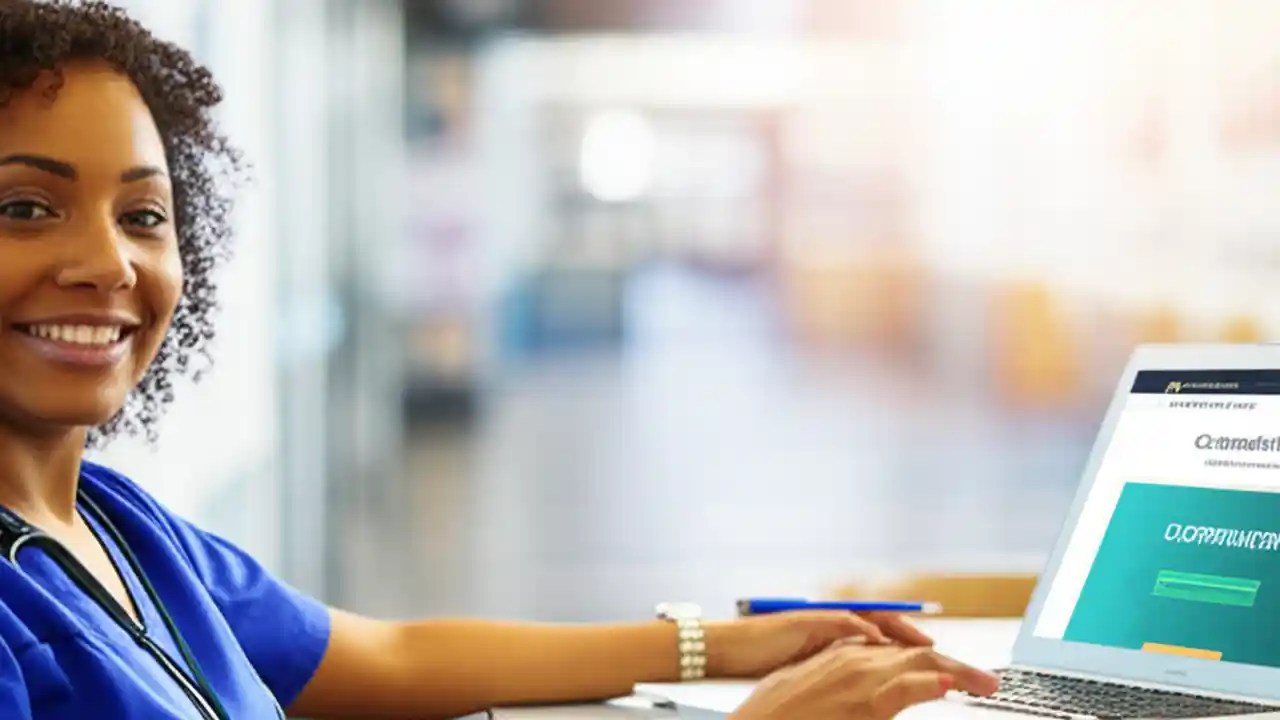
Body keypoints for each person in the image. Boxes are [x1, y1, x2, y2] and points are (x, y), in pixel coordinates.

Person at [0, 2, 999, 718]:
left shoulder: (120, 528)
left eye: (144, 216)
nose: (108, 264)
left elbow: (389, 659)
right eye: (24, 208)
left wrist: (721, 645)